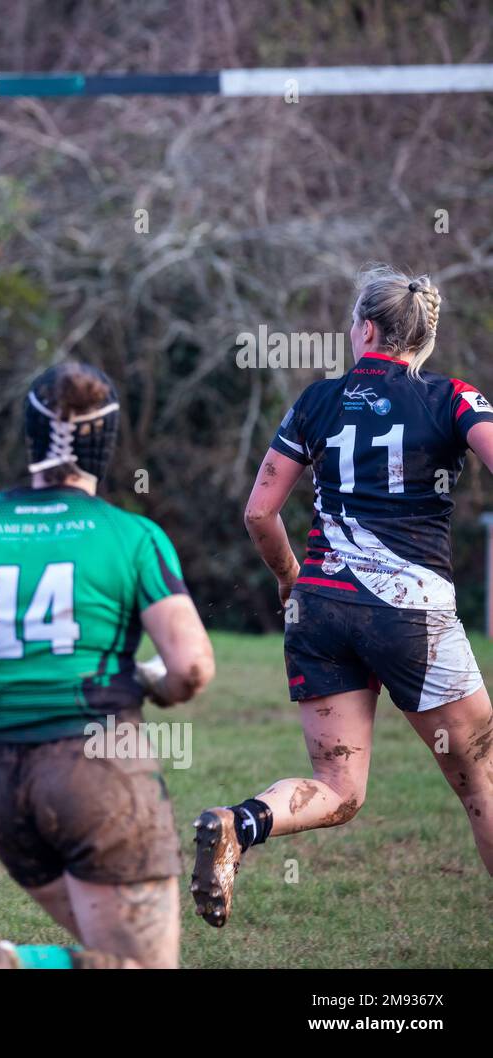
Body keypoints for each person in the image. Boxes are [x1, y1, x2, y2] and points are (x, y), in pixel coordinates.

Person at [0, 361, 214, 969]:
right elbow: (192, 667)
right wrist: (156, 686)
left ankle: (21, 961)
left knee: (111, 957)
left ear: (31, 437)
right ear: (107, 442)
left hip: (0, 780)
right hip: (99, 771)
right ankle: (19, 961)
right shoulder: (133, 536)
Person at [193, 266, 493, 929]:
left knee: (338, 789)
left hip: (320, 608)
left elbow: (260, 515)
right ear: (427, 338)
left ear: (363, 329)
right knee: (481, 782)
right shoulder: (455, 398)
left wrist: (290, 581)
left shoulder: (317, 402)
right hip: (411, 615)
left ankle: (238, 823)